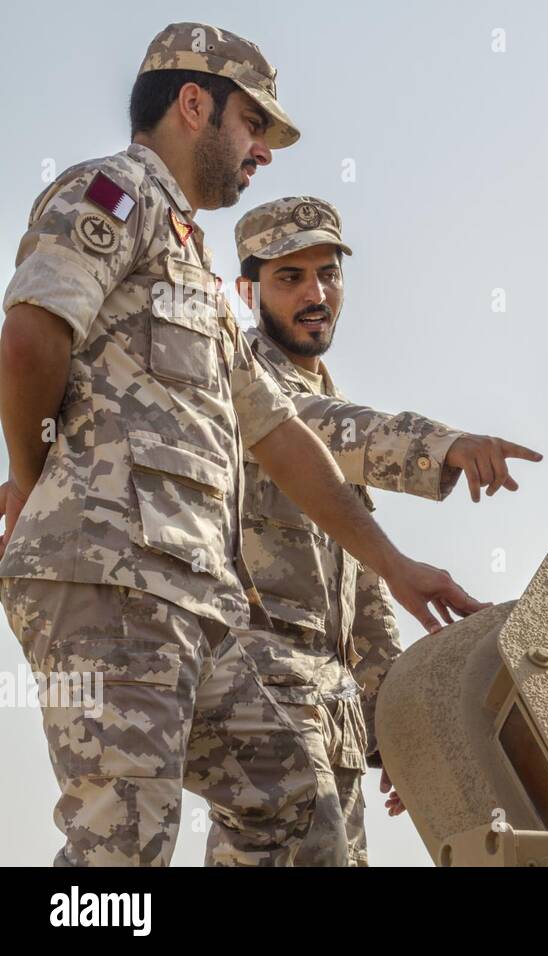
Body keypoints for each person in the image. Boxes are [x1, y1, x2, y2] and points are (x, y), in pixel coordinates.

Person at [0, 22, 482, 866]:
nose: (260, 149)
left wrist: (398, 567)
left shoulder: (201, 275)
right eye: (252, 124)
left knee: (298, 810)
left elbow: (284, 437)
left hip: (201, 604)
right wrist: (32, 483)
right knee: (121, 849)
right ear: (195, 104)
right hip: (109, 580)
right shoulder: (115, 193)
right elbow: (30, 339)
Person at [222, 195, 541, 864]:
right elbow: (317, 425)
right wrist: (444, 444)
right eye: (290, 277)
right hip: (258, 689)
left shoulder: (324, 398)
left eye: (328, 273)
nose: (316, 294)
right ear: (248, 289)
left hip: (324, 709)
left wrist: (387, 728)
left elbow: (363, 586)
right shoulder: (238, 379)